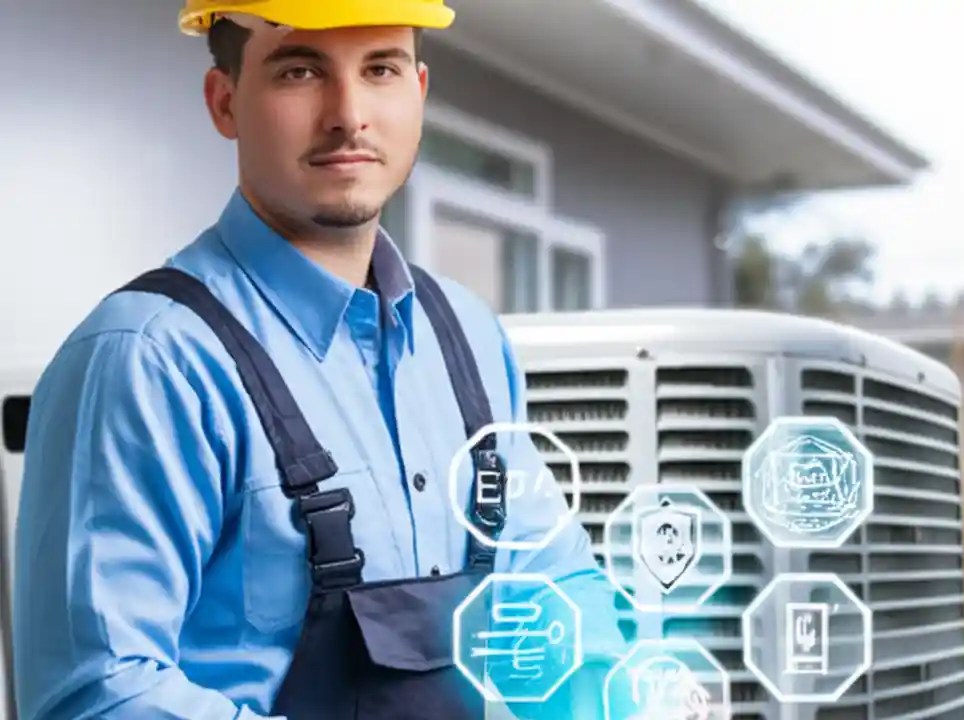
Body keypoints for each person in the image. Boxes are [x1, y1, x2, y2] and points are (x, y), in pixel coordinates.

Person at [10, 1, 630, 718]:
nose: (348, 114)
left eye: (380, 69)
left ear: (418, 92)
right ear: (224, 101)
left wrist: (610, 691)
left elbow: (552, 591)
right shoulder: (151, 362)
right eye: (300, 70)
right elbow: (99, 697)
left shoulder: (469, 337)